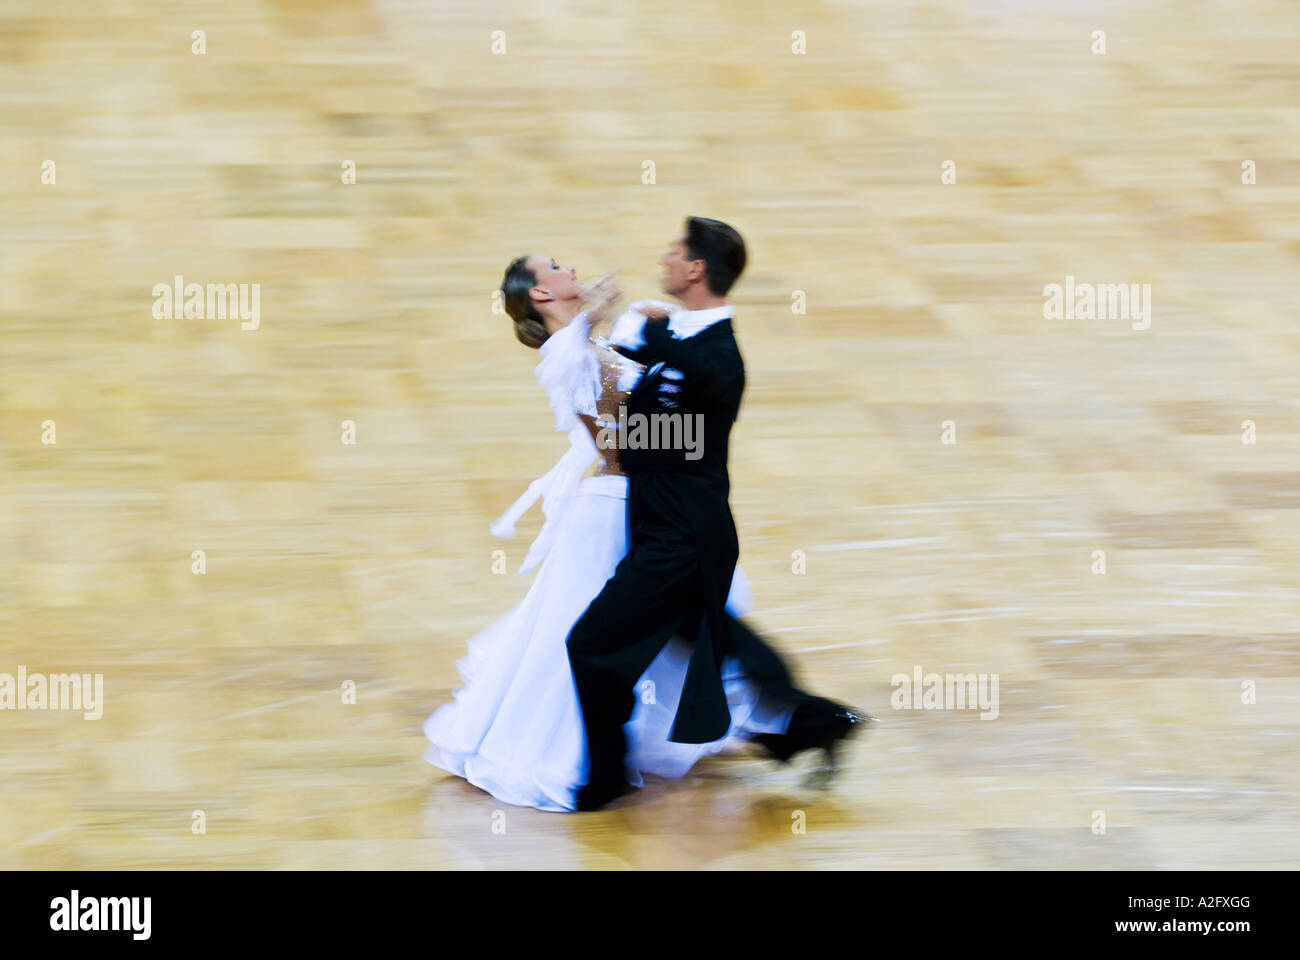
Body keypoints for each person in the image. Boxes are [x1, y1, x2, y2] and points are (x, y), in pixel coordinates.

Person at [421, 254, 791, 812]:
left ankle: (772, 717)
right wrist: (602, 323)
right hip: (618, 510)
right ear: (541, 296)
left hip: (646, 504)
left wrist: (635, 324)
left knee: (673, 627)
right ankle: (591, 755)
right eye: (553, 267)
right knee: (603, 634)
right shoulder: (565, 356)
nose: (568, 267)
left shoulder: (595, 343)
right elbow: (618, 408)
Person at [567, 217, 866, 811]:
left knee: (591, 645)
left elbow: (658, 426)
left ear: (697, 269)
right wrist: (597, 331)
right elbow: (634, 415)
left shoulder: (716, 356)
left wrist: (628, 341)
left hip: (682, 542)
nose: (665, 258)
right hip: (669, 528)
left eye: (674, 252)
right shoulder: (676, 336)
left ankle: (603, 778)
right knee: (713, 641)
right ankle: (822, 723)